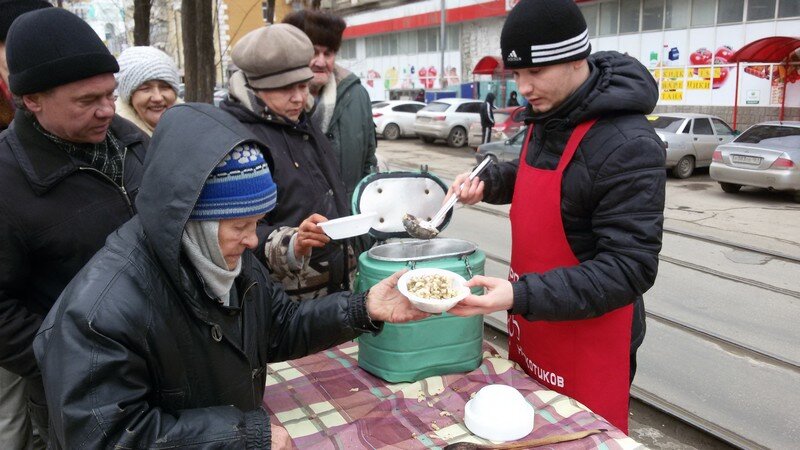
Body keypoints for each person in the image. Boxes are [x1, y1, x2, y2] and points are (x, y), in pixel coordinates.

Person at [33, 103, 428, 449]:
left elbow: (280, 326)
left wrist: (363, 308)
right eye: (240, 224)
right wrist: (243, 438)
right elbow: (108, 438)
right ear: (191, 219)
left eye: (258, 222)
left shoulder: (222, 260)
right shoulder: (99, 313)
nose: (254, 240)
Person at [446, 0, 665, 434]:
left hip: (590, 337)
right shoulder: (550, 114)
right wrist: (490, 181)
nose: (524, 88)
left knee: (578, 437)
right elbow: (549, 178)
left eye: (535, 73)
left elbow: (629, 268)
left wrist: (517, 295)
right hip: (536, 321)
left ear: (575, 59)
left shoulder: (628, 142)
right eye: (517, 76)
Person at [0, 7, 149, 445]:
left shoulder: (134, 143)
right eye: (87, 101)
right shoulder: (5, 181)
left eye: (110, 94)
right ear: (32, 100)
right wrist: (80, 360)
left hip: (164, 371)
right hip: (81, 399)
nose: (108, 110)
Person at [221, 24, 355, 301]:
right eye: (285, 89)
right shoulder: (240, 142)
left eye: (303, 86)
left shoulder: (301, 121)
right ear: (255, 88)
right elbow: (235, 234)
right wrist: (292, 243)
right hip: (283, 301)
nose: (298, 97)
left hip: (333, 290)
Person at [283, 10, 377, 200]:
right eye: (313, 52)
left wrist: (363, 205)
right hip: (299, 224)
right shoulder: (279, 100)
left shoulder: (357, 95)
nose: (321, 61)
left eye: (329, 53)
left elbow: (369, 161)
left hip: (348, 218)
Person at [114, 46, 181, 136]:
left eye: (165, 87)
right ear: (129, 97)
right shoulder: (114, 142)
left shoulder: (195, 129)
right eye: (145, 89)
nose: (158, 98)